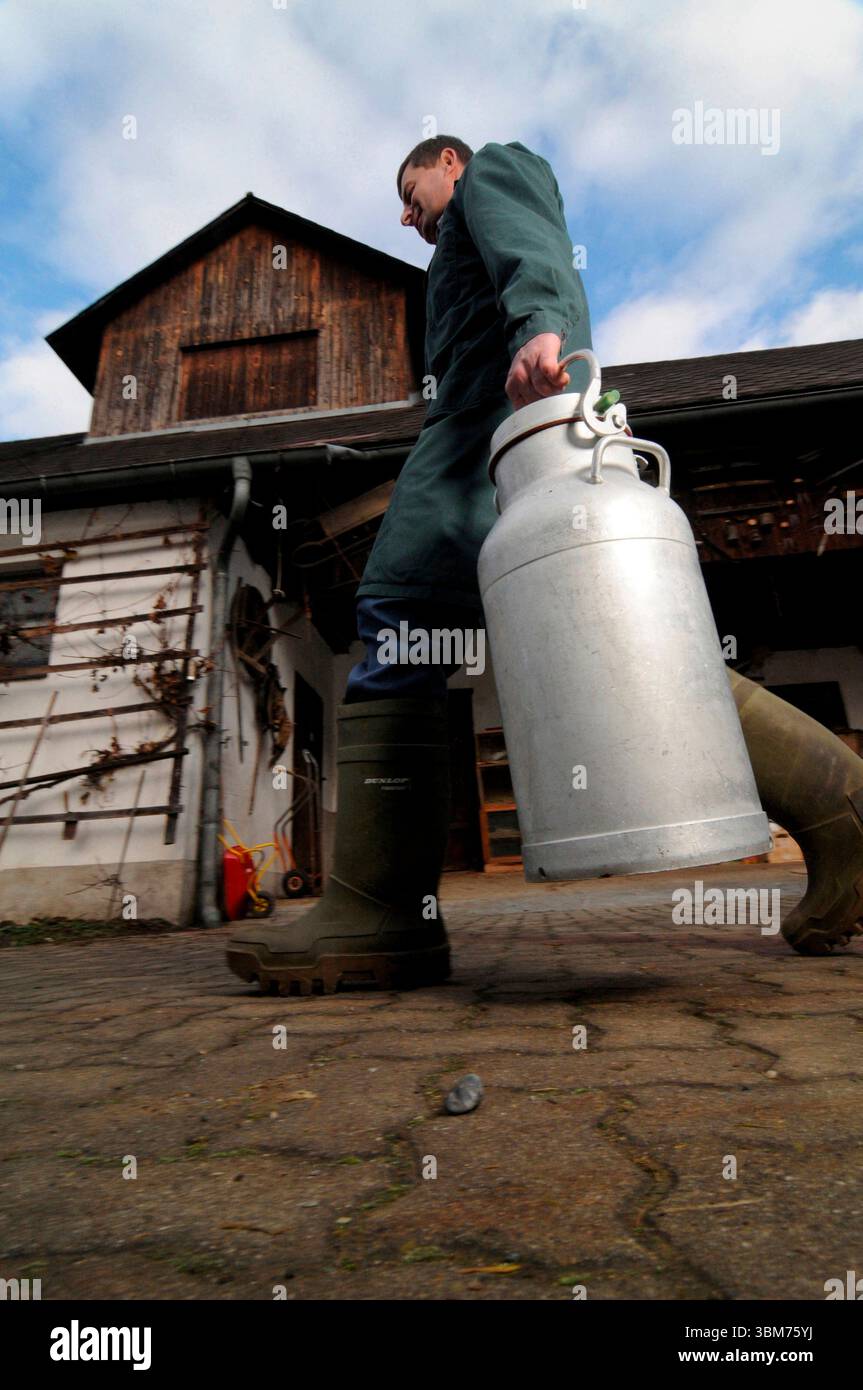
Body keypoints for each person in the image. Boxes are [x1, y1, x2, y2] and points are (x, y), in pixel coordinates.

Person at [227, 137, 863, 996]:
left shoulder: (489, 168)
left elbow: (531, 243)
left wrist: (542, 329)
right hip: (492, 441)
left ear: (444, 161)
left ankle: (380, 912)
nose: (404, 214)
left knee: (397, 620)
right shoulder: (450, 241)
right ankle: (844, 810)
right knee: (626, 656)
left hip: (498, 436)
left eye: (408, 193)